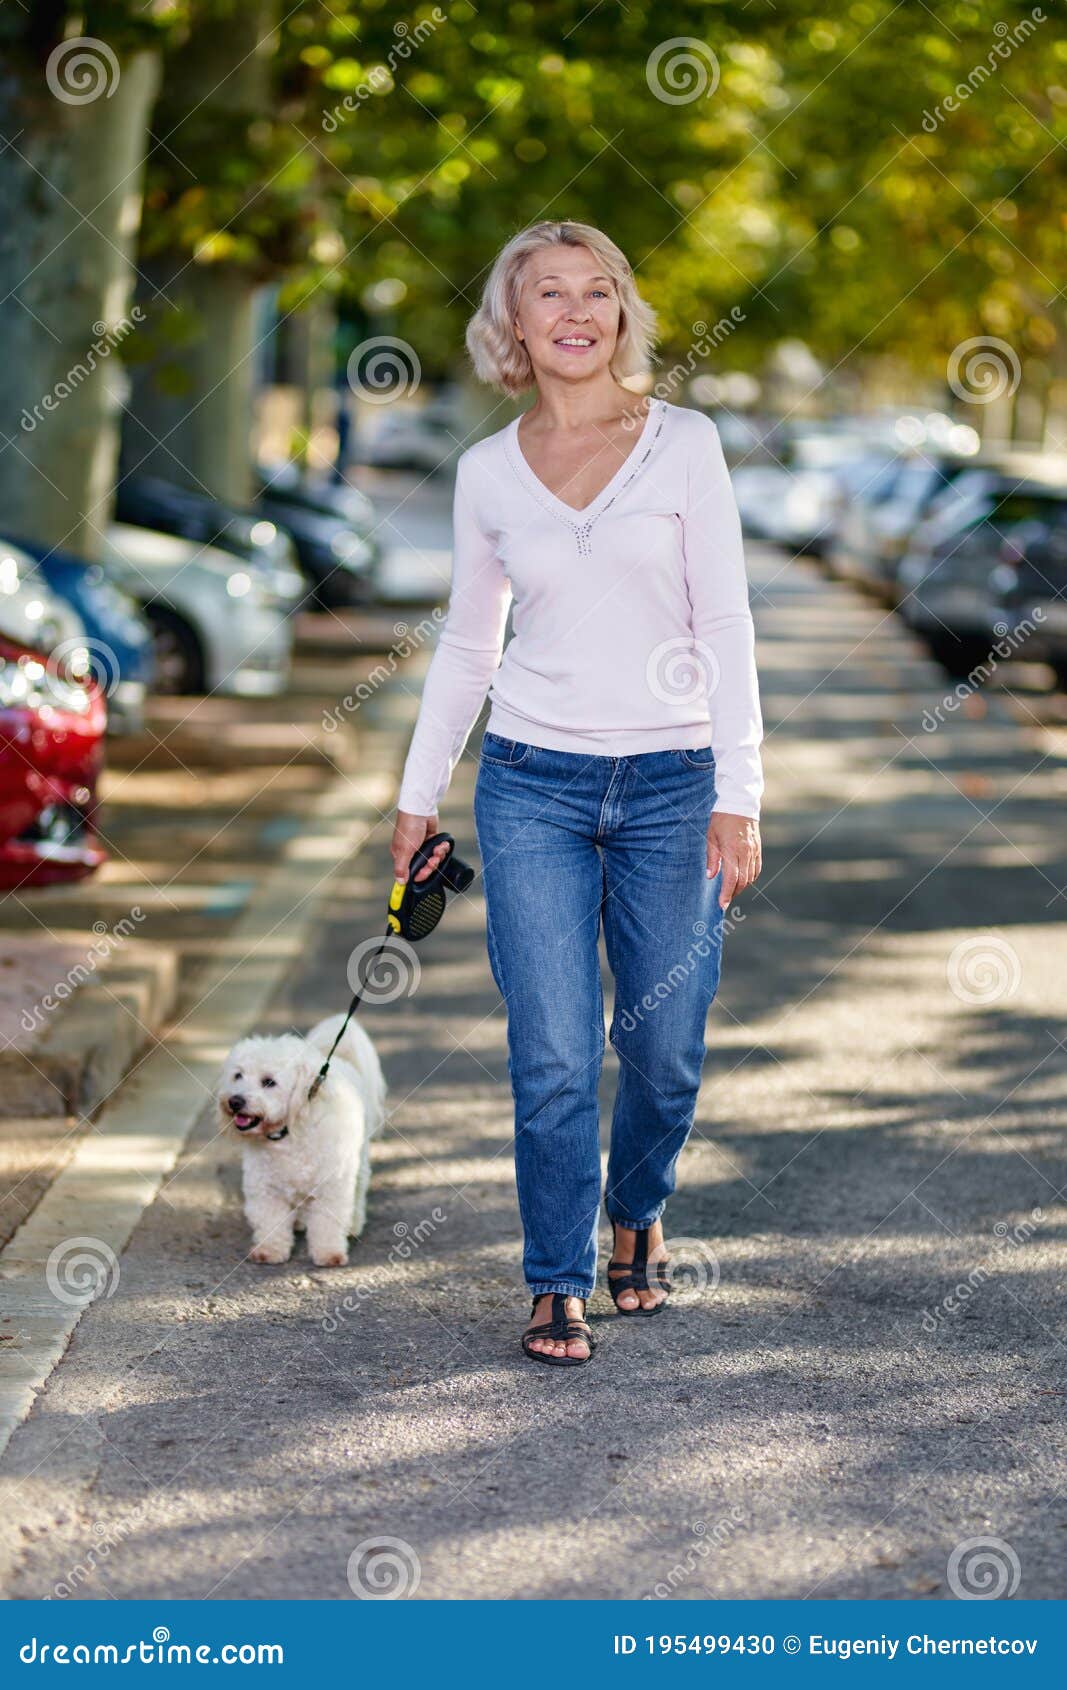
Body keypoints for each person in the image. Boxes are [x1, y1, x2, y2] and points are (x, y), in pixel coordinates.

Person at [390, 219, 763, 1368]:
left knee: (663, 1051)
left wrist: (737, 790)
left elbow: (724, 620)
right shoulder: (487, 472)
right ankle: (555, 1275)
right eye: (547, 293)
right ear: (513, 323)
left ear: (619, 312)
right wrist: (417, 797)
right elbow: (465, 643)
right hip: (531, 784)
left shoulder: (685, 445)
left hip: (671, 780)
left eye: (595, 290)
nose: (574, 311)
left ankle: (636, 1207)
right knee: (550, 1049)